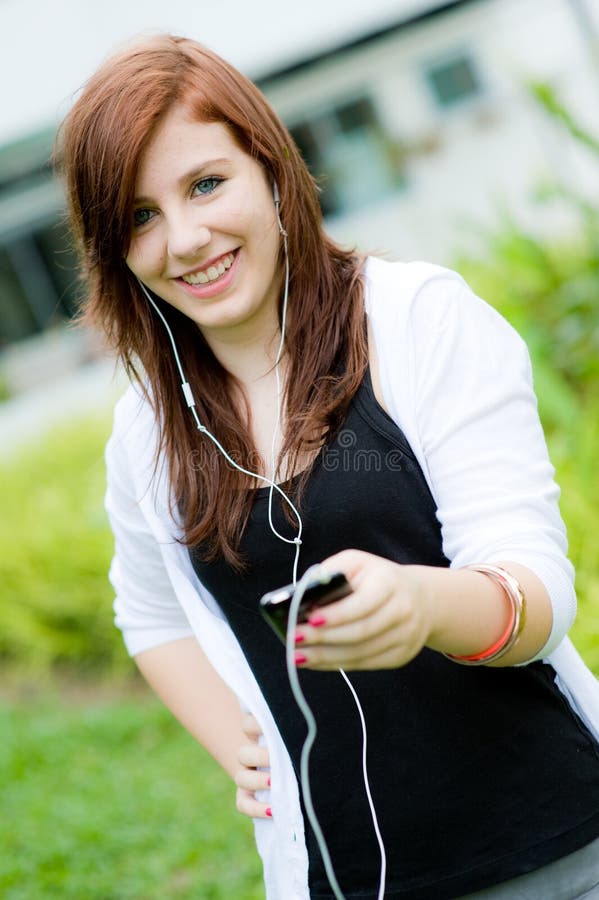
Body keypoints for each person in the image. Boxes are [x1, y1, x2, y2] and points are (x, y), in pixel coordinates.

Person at [57, 34, 599, 900]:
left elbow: (534, 594)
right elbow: (146, 610)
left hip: (561, 847)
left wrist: (422, 604)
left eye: (205, 184)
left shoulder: (416, 320)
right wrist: (240, 740)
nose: (187, 239)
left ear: (270, 170)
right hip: (338, 878)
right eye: (139, 216)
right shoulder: (149, 432)